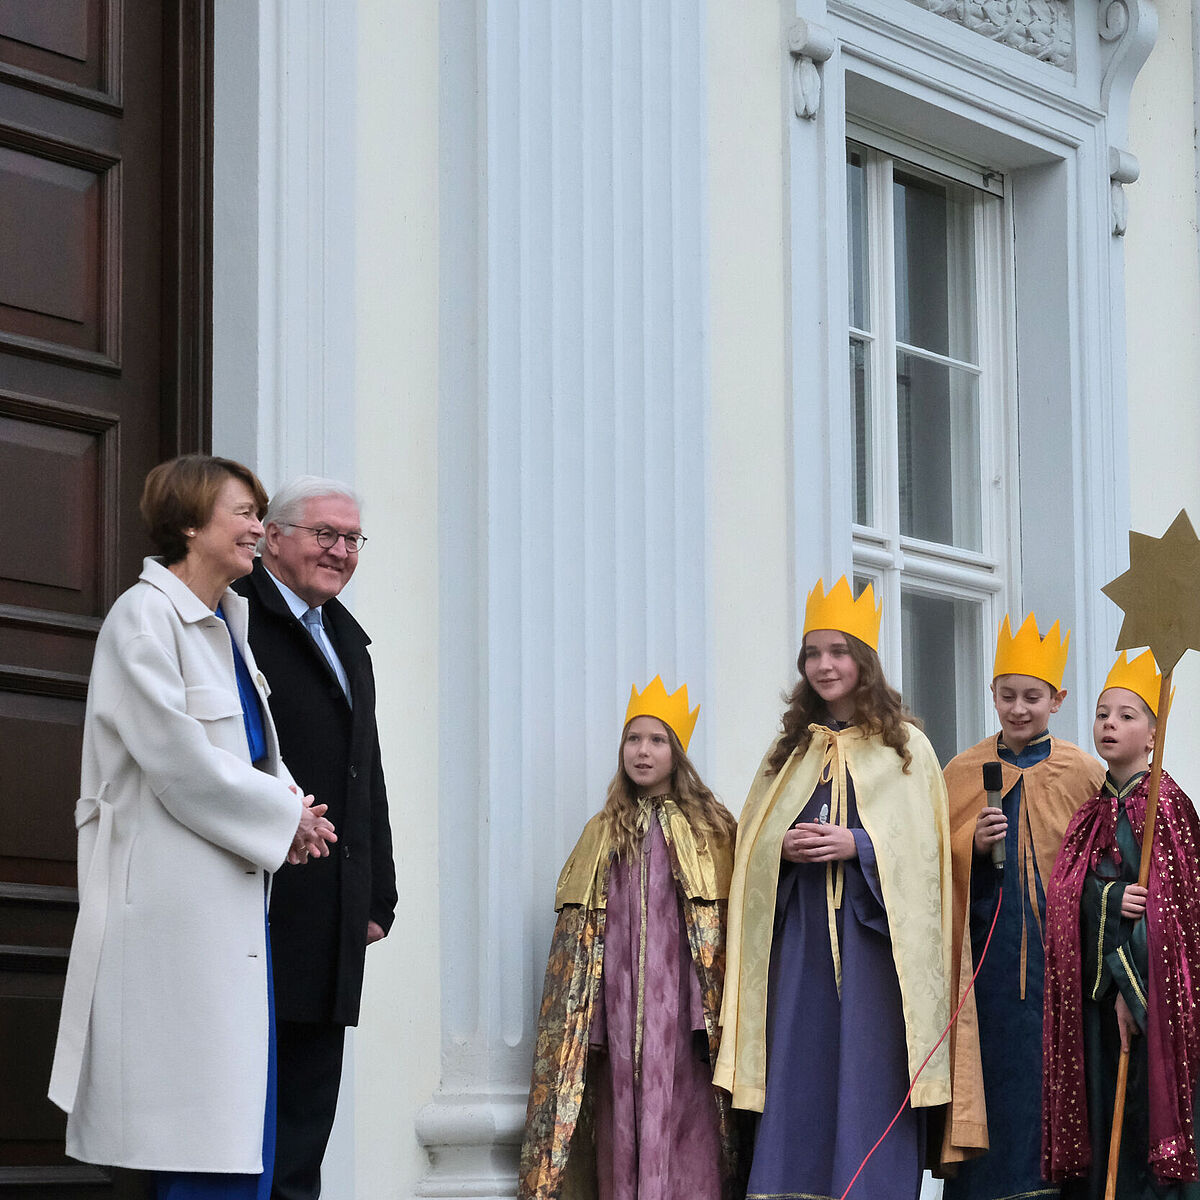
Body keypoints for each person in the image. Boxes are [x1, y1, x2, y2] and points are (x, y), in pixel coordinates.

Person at [48, 454, 337, 1200]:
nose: (257, 527)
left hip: (236, 912)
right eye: (242, 513)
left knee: (238, 1129)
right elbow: (179, 760)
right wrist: (285, 818)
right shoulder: (143, 617)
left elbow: (251, 751)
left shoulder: (228, 623)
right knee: (196, 1135)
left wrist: (293, 810)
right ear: (187, 522)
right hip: (174, 918)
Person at [714, 576, 953, 1200]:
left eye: (837, 652)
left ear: (864, 662)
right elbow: (752, 849)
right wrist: (781, 850)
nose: (824, 665)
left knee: (870, 1074)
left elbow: (927, 857)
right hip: (802, 946)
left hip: (876, 946)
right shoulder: (787, 753)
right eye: (812, 654)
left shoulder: (908, 750)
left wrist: (860, 845)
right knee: (802, 1068)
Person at [232, 476, 397, 1200]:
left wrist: (377, 893)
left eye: (351, 538)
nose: (340, 550)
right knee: (243, 1116)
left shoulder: (347, 641)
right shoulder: (236, 621)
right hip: (259, 900)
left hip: (330, 907)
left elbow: (367, 775)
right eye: (323, 534)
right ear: (271, 537)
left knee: (305, 1118)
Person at [518, 677, 742, 1200]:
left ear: (677, 752)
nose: (643, 751)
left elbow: (726, 935)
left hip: (687, 1023)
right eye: (633, 739)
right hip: (620, 1020)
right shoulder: (603, 831)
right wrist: (592, 1021)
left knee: (688, 1131)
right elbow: (579, 942)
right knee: (620, 1128)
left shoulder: (712, 830)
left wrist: (703, 1016)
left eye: (657, 740)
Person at [941, 614, 1104, 1195]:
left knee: (1053, 1078)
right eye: (1007, 695)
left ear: (1056, 700)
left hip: (1060, 967)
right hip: (986, 962)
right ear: (992, 694)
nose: (1018, 708)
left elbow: (1098, 865)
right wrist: (971, 845)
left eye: (1032, 697)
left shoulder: (1084, 773)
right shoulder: (962, 772)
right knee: (993, 1079)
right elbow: (935, 864)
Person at [1043, 650, 1200, 1198]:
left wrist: (1131, 989)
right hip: (1096, 998)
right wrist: (1106, 898)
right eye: (1103, 713)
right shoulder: (1091, 812)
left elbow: (1179, 917)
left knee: (1140, 1122)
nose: (1110, 723)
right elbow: (1065, 899)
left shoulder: (1169, 807)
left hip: (1147, 1000)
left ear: (1153, 734)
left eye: (1127, 715)